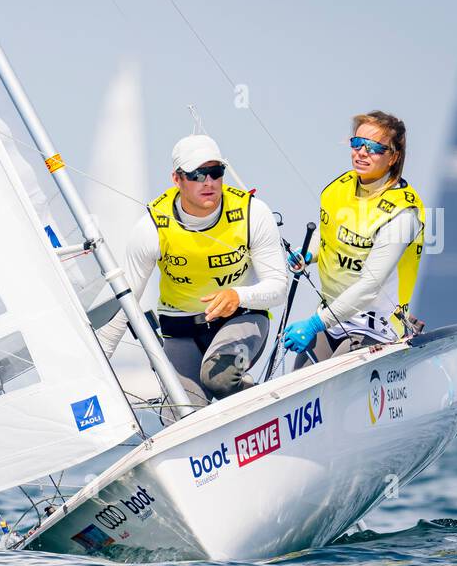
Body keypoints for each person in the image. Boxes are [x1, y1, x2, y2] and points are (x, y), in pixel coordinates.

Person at [99, 134, 288, 412]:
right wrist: (97, 366)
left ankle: (269, 409)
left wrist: (238, 295)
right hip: (181, 332)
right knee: (179, 414)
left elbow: (278, 286)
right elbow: (124, 303)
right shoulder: (150, 229)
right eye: (197, 174)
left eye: (215, 172)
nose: (209, 182)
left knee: (220, 377)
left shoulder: (253, 213)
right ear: (177, 179)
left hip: (240, 319)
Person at [283, 111, 426, 364]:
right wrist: (309, 253)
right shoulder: (339, 188)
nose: (361, 152)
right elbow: (328, 230)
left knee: (328, 383)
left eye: (373, 148)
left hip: (375, 328)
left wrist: (315, 324)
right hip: (331, 321)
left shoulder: (403, 213)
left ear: (393, 156)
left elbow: (369, 287)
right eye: (357, 143)